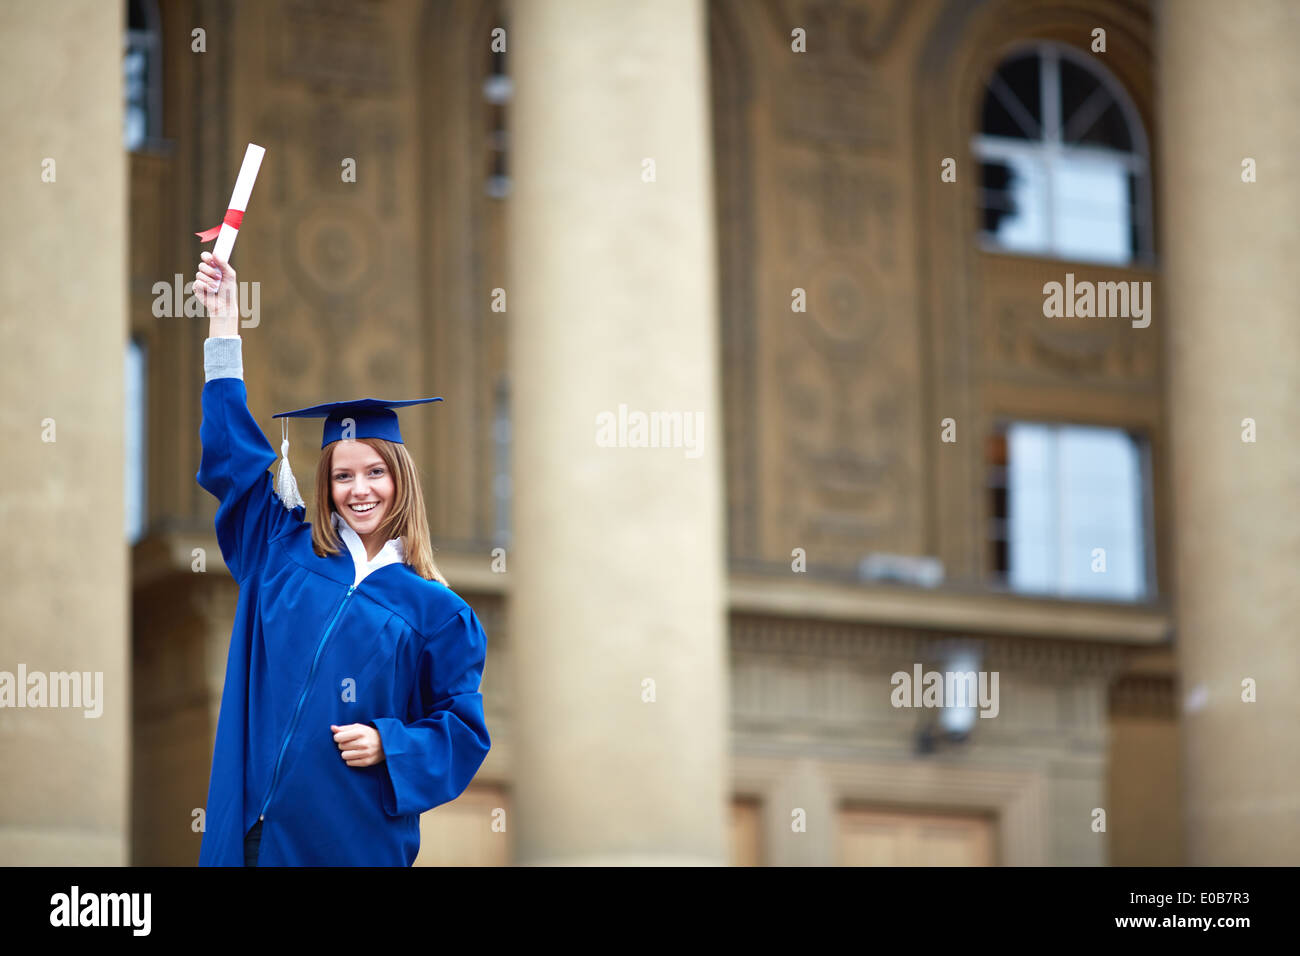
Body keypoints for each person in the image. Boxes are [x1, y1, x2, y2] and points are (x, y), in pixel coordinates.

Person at [191, 251, 490, 866]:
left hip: (347, 844)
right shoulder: (278, 553)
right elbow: (235, 463)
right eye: (343, 475)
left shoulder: (438, 613)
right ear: (324, 486)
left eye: (376, 472)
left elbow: (462, 731)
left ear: (400, 480)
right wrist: (224, 327)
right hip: (251, 833)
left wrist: (390, 742)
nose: (360, 490)